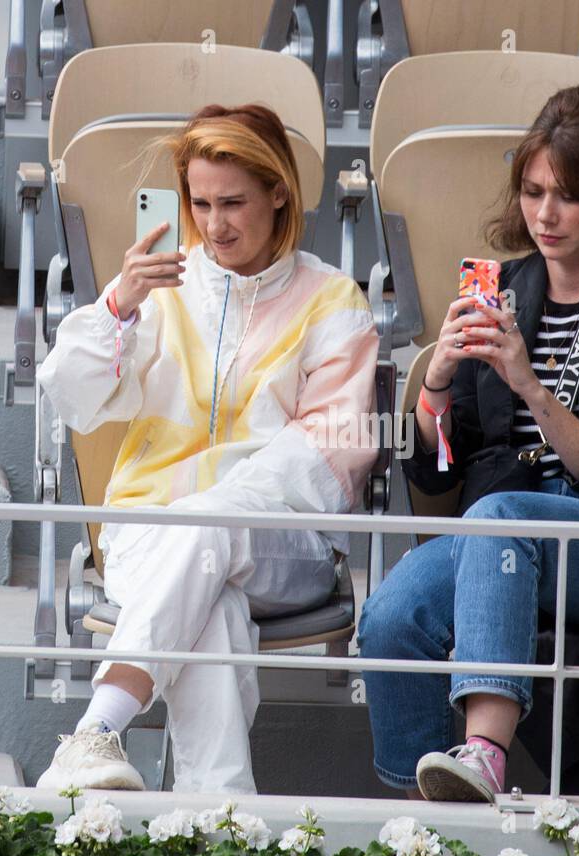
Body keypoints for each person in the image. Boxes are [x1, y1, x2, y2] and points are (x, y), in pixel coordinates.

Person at [357, 84, 579, 802]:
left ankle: (483, 752)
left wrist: (531, 387)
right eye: (532, 190)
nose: (545, 215)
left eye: (570, 196)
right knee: (391, 616)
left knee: (498, 520)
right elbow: (435, 467)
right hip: (502, 531)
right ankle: (422, 813)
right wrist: (437, 380)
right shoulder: (503, 287)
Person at [35, 104, 378, 794]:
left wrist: (211, 506)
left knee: (206, 530)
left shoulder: (335, 299)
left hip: (282, 546)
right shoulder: (161, 283)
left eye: (234, 203)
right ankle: (222, 817)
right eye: (200, 202)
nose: (215, 224)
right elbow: (70, 396)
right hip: (148, 536)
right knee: (212, 609)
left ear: (279, 191)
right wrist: (116, 310)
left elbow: (329, 460)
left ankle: (97, 730)